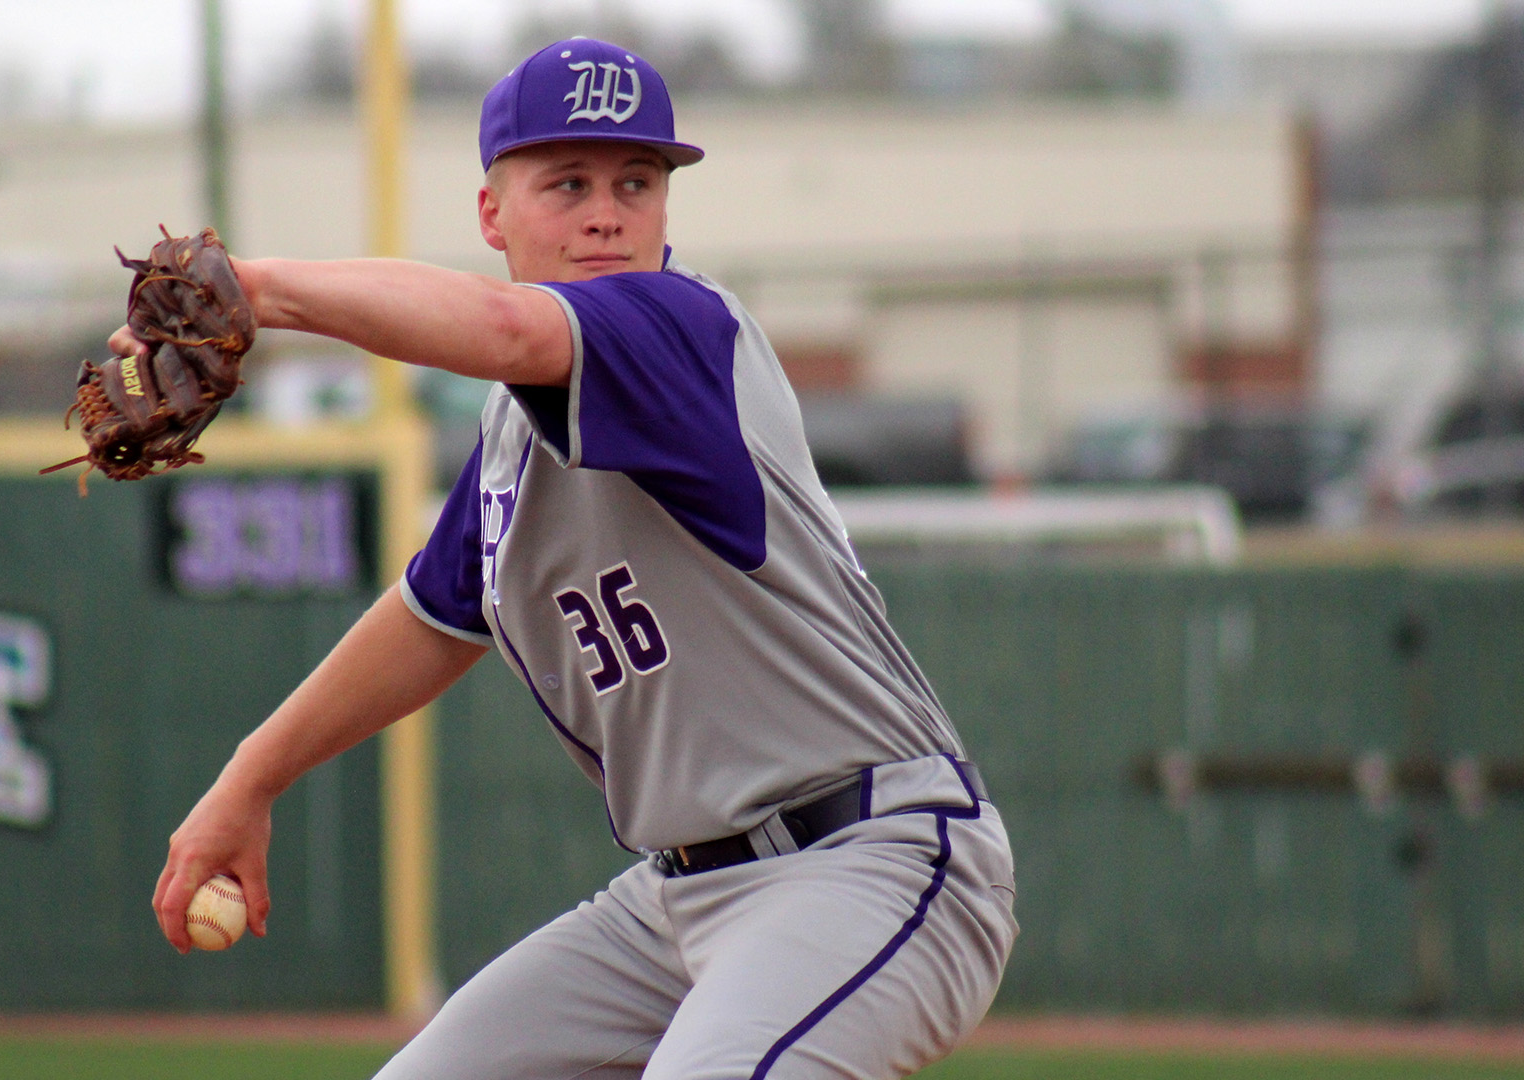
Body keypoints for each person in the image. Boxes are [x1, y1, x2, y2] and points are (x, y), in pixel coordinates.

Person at [132, 38, 1017, 1080]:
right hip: (675, 905)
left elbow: (508, 329)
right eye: (568, 182)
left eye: (635, 182)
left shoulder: (681, 330)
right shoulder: (512, 446)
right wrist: (251, 778)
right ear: (490, 215)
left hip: (866, 863)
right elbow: (428, 621)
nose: (607, 211)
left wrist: (260, 289)